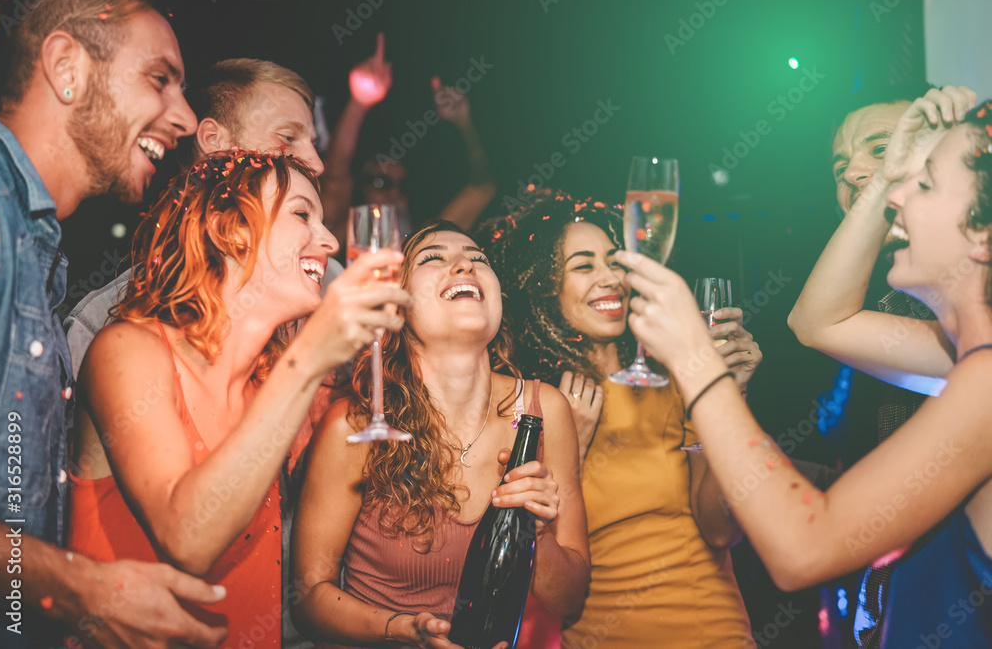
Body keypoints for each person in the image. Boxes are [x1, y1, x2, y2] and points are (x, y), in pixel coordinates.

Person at [621, 95, 992, 647]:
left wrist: (697, 363)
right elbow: (819, 322)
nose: (894, 194)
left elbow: (802, 548)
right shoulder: (962, 357)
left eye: (925, 183)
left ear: (982, 234)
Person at [68, 149, 409, 648]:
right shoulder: (129, 349)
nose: (331, 240)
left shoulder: (270, 386)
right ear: (231, 230)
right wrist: (309, 357)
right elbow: (188, 540)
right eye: (301, 215)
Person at [0, 0, 239, 646]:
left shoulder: (37, 245)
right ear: (66, 68)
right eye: (161, 79)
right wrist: (81, 586)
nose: (185, 118)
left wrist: (56, 606)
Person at [479, 192, 760, 648]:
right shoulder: (532, 406)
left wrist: (730, 394)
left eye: (615, 263)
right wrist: (577, 447)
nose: (610, 278)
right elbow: (547, 584)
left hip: (713, 633)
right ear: (544, 286)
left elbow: (721, 528)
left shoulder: (674, 380)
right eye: (584, 265)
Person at [292, 220, 590, 648]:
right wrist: (405, 628)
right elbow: (309, 600)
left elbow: (570, 599)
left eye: (478, 258)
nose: (465, 263)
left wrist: (537, 535)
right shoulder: (355, 426)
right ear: (396, 304)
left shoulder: (544, 413)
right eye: (434, 258)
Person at [794, 84, 978, 646]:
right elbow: (814, 324)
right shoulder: (944, 330)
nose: (856, 173)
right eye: (841, 166)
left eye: (883, 149)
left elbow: (805, 549)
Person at [65, 57, 332, 379]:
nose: (316, 164)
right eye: (287, 137)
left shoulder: (330, 285)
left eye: (313, 144)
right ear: (214, 142)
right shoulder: (109, 321)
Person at [320, 33, 496, 247]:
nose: (395, 194)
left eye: (403, 186)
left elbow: (482, 187)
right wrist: (360, 101)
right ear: (358, 190)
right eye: (381, 183)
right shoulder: (335, 236)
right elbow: (336, 174)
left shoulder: (425, 244)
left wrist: (464, 122)